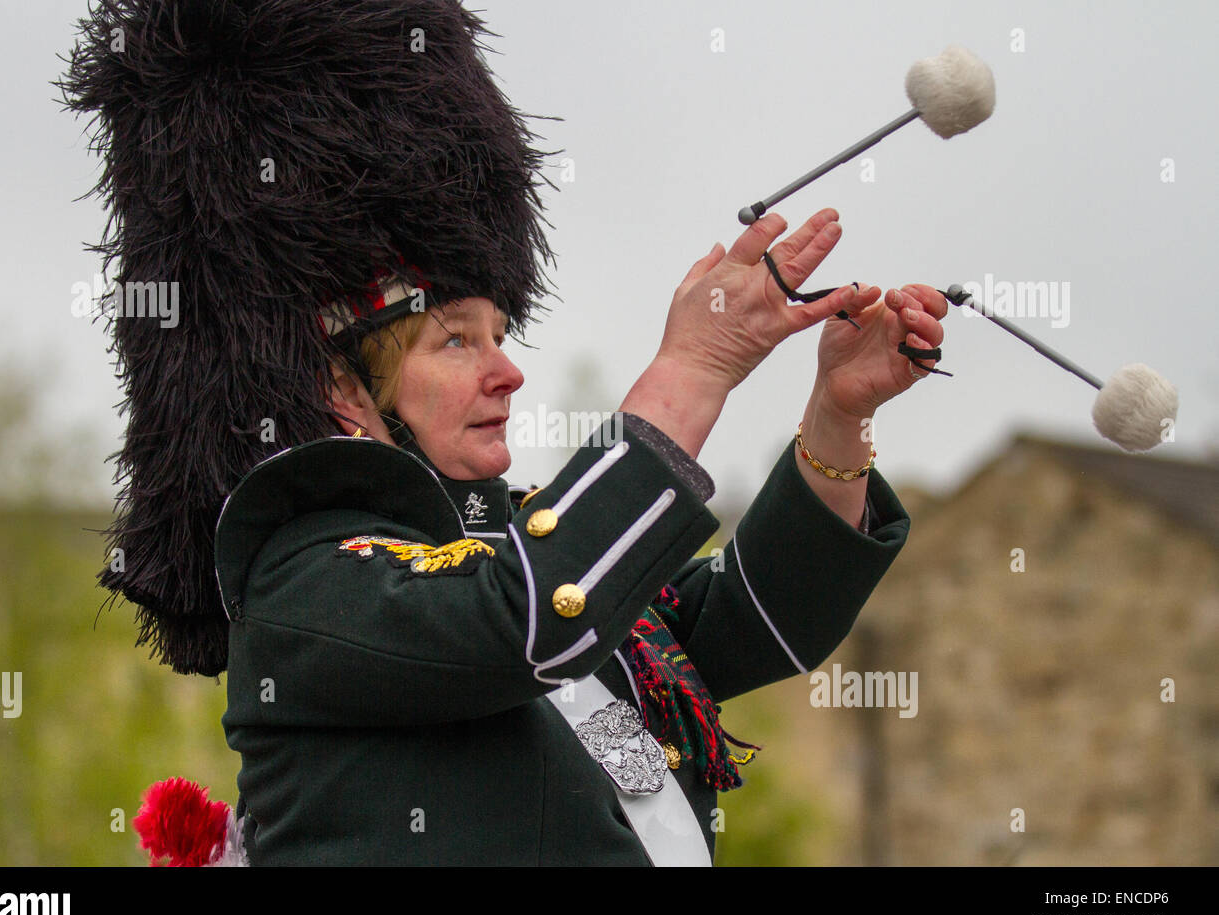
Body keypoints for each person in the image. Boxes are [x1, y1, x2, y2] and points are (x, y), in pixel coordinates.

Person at [60, 0, 946, 865]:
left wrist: (841, 411)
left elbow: (759, 620)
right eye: (455, 340)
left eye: (499, 335)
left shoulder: (508, 551)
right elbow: (538, 609)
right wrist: (694, 369)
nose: (508, 371)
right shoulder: (301, 580)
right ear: (339, 382)